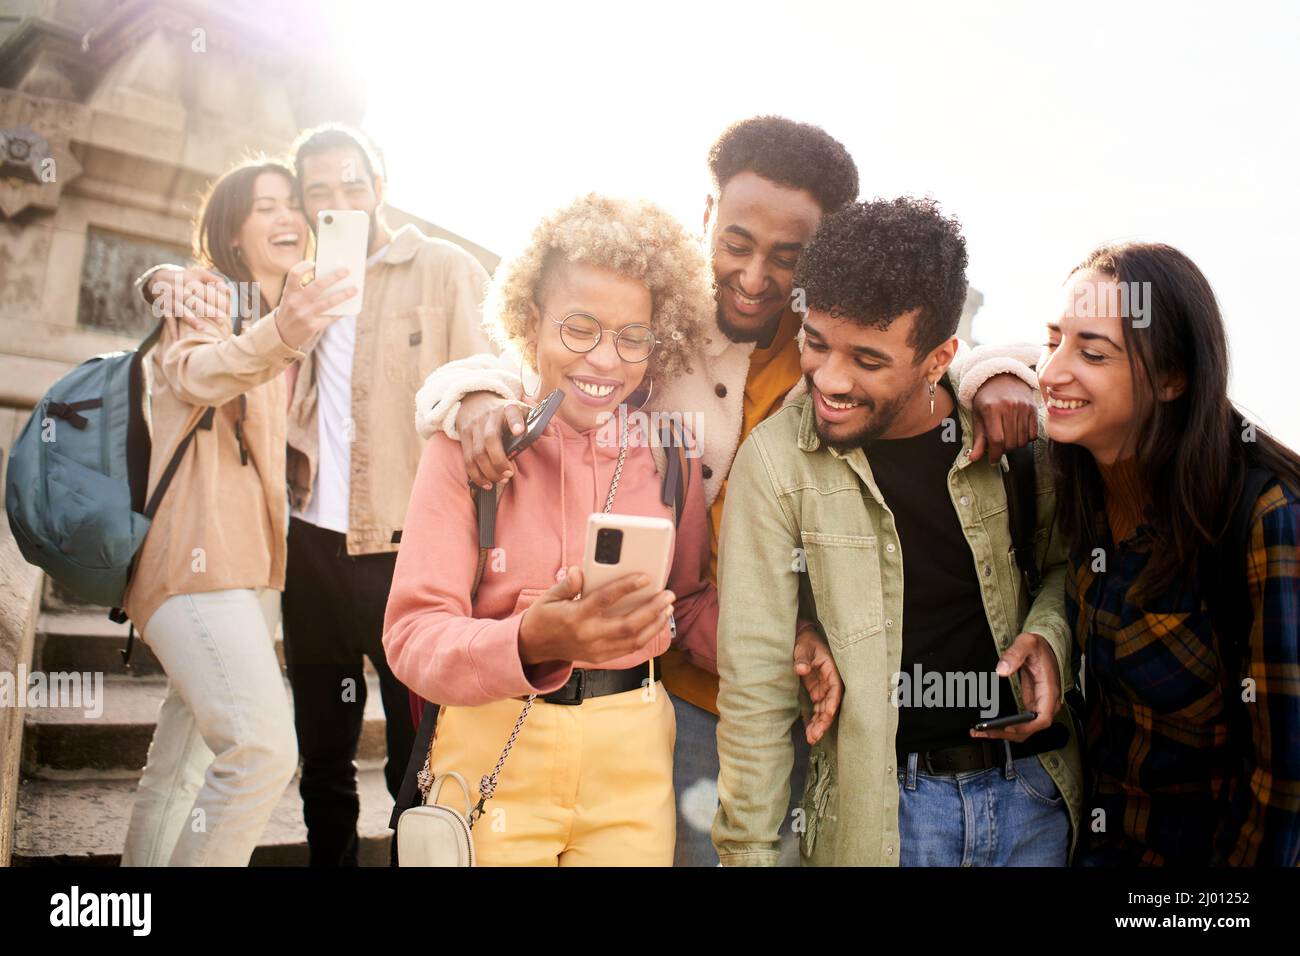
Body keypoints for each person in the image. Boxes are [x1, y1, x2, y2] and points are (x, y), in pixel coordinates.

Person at [411, 116, 1044, 864]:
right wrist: (472, 391)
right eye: (737, 244)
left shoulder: (833, 348)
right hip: (669, 693)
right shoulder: (648, 329)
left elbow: (928, 354)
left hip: (806, 685)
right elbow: (550, 365)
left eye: (788, 256)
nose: (753, 277)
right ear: (706, 214)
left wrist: (999, 371)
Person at [141, 124, 496, 865]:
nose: (338, 203)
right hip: (307, 549)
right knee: (321, 753)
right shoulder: (297, 287)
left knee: (417, 753)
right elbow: (215, 306)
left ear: (381, 188)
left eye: (353, 186)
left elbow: (487, 380)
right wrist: (164, 276)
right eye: (319, 194)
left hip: (405, 552)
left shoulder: (443, 268)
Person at [712, 197, 1082, 866]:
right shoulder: (774, 465)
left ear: (938, 356)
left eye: (869, 361)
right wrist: (748, 855)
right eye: (815, 343)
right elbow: (757, 692)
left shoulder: (1017, 436)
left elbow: (1070, 566)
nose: (830, 379)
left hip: (1037, 800)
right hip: (885, 820)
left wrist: (1051, 635)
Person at [382, 194, 718, 865]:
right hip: (492, 746)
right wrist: (530, 639)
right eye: (579, 329)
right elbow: (413, 635)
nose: (605, 361)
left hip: (634, 765)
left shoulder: (674, 453)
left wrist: (787, 650)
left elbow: (687, 602)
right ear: (531, 321)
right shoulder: (467, 446)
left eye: (632, 337)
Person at [120, 159, 356, 866]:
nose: (288, 218)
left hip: (247, 573)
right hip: (195, 562)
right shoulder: (208, 299)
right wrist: (170, 280)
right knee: (261, 750)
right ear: (230, 231)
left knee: (180, 769)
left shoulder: (288, 312)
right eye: (265, 208)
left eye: (293, 205)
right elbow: (196, 371)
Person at [1039, 242, 1300, 866]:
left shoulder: (1267, 516)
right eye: (1053, 341)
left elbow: (1286, 782)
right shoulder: (1078, 483)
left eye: (1091, 353)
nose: (1051, 372)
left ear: (1172, 377)